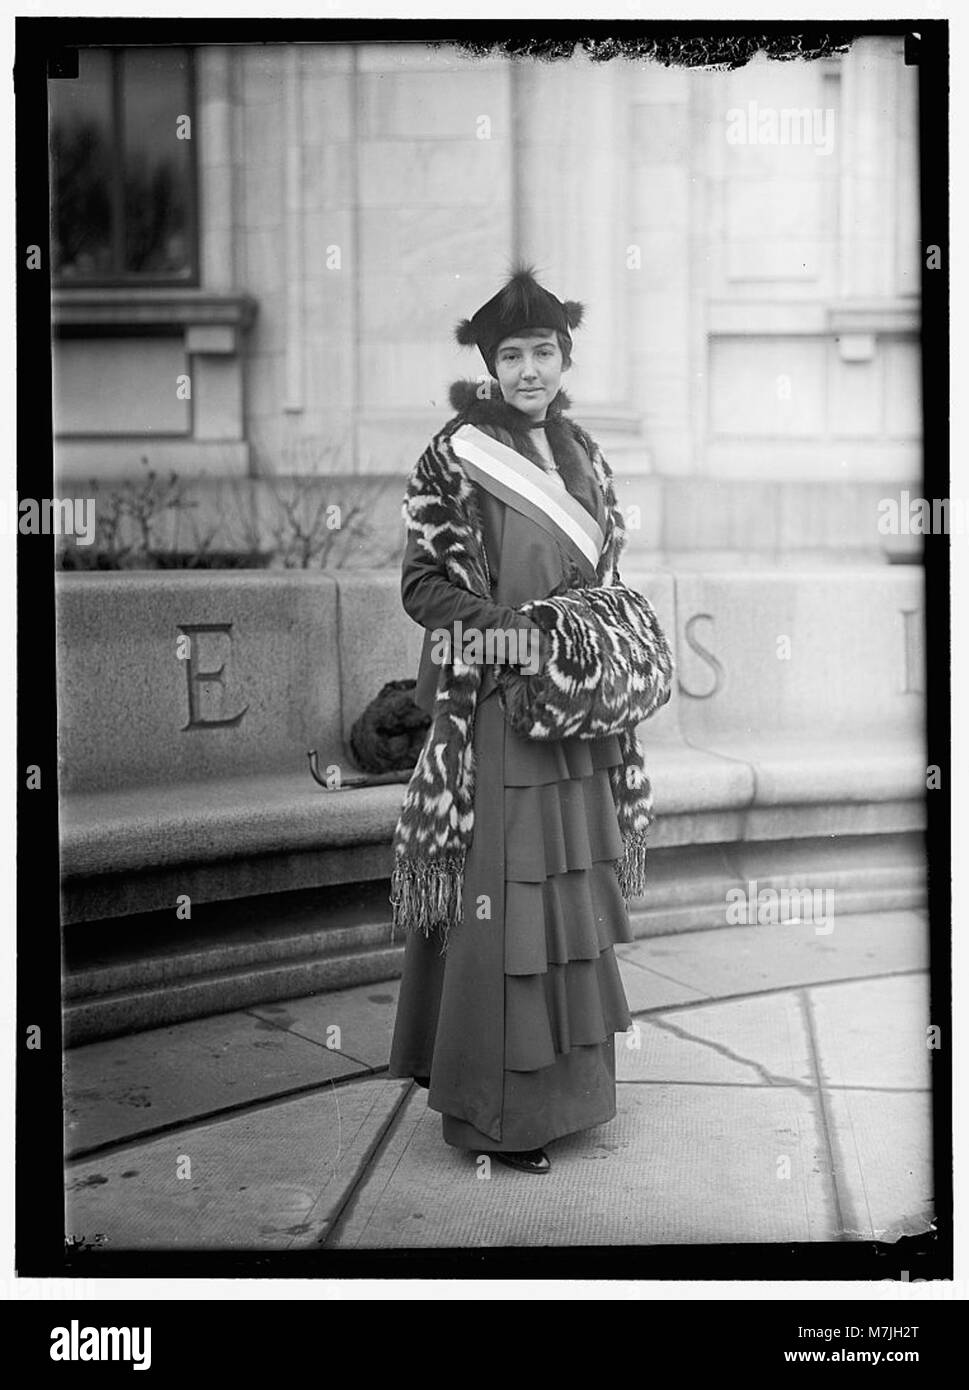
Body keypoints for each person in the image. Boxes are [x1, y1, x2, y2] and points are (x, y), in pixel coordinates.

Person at [387, 266, 640, 1175]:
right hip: (493, 711)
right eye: (511, 354)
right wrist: (516, 643)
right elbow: (424, 588)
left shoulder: (584, 455)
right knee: (505, 910)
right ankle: (497, 1119)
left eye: (542, 351)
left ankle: (570, 1102)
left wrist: (581, 646)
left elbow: (602, 582)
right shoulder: (453, 455)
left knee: (565, 899)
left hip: (573, 712)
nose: (528, 368)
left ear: (563, 357)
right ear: (490, 365)